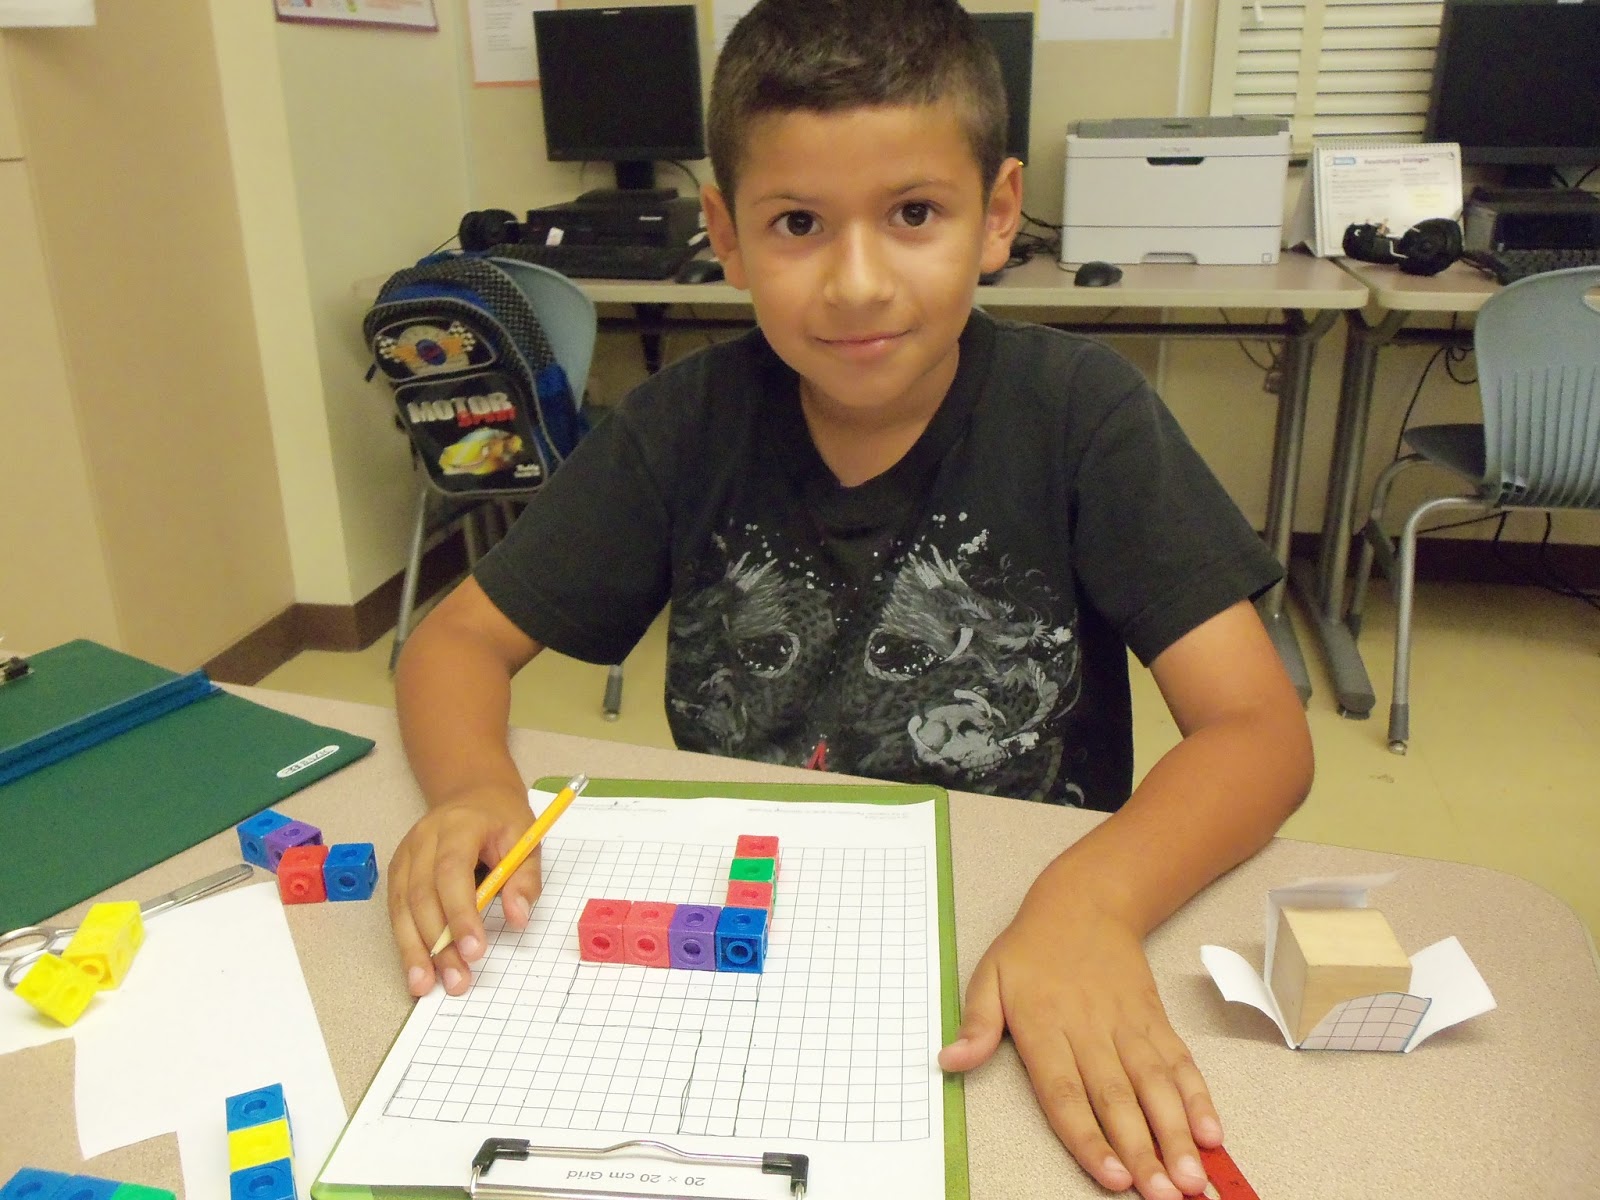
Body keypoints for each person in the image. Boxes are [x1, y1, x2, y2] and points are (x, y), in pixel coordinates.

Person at [387, 1, 1313, 1196]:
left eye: (913, 214)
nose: (858, 283)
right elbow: (455, 641)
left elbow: (1259, 731)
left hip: (1021, 919)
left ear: (999, 212)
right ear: (726, 234)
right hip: (754, 936)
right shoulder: (679, 427)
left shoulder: (1082, 413)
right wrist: (473, 788)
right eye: (798, 224)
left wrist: (1092, 903)